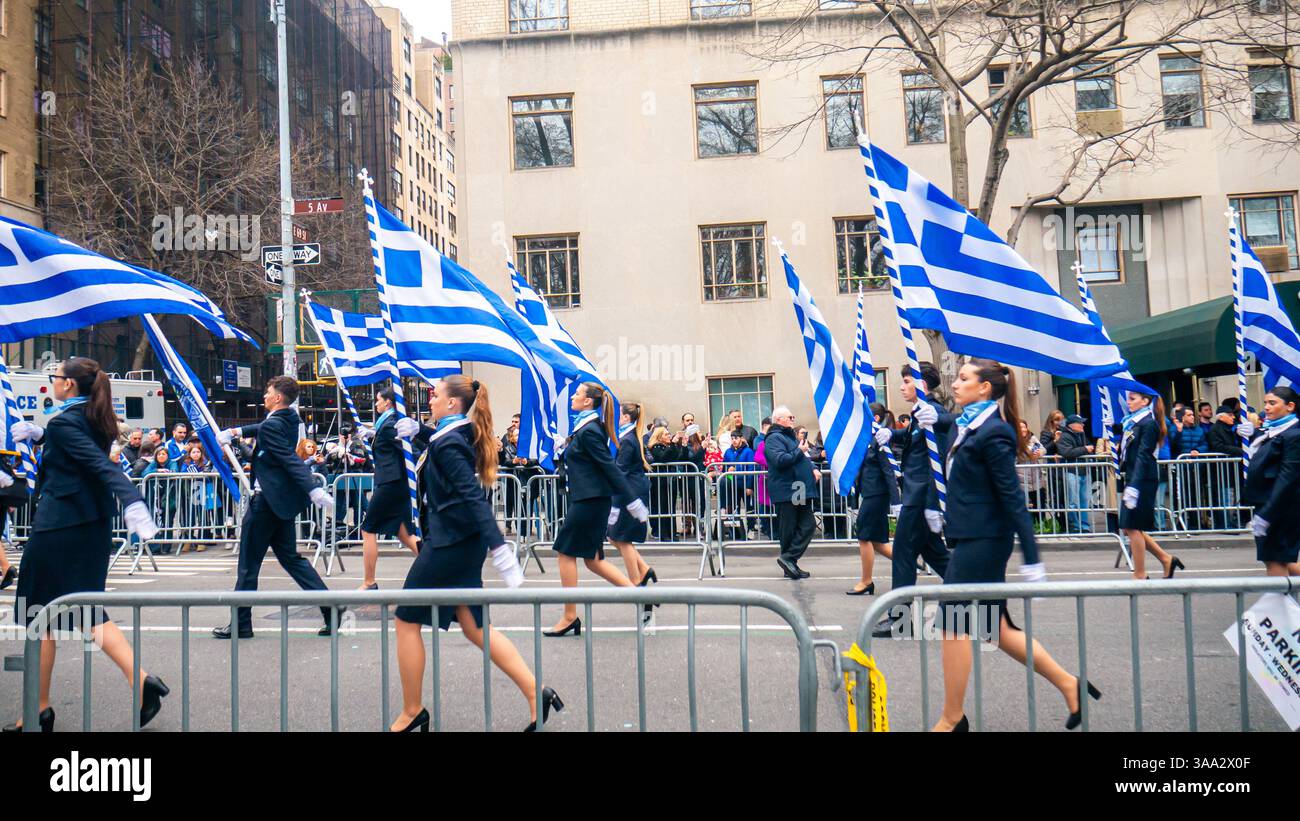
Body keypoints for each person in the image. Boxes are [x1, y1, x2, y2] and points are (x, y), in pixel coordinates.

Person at [931, 359, 1099, 732]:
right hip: (973, 537)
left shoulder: (995, 432)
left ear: (985, 388)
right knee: (997, 629)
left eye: (963, 379)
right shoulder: (970, 426)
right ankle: (1069, 683)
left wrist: (1033, 558)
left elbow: (1012, 498)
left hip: (984, 541)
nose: (956, 385)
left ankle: (952, 718)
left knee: (952, 623)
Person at [3, 357, 167, 732]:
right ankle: (141, 682)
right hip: (90, 527)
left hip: (59, 528)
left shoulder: (65, 422)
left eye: (55, 376)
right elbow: (81, 455)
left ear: (70, 385)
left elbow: (98, 464)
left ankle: (38, 709)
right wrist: (43, 436)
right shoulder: (96, 418)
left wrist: (133, 500)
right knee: (88, 612)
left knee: (37, 617)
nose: (52, 381)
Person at [390, 375, 560, 732]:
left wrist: (500, 548)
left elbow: (470, 495)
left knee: (406, 620)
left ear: (453, 404)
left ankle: (412, 710)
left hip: (448, 545)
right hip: (460, 543)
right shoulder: (457, 434)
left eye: (435, 396)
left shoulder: (451, 441)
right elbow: (445, 448)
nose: (431, 400)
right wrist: (419, 430)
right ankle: (536, 693)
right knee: (475, 626)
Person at [212, 376, 338, 639]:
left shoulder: (272, 427)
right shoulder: (290, 420)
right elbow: (266, 440)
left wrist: (312, 487)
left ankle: (241, 624)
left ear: (278, 397)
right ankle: (331, 609)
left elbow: (289, 459)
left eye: (268, 393)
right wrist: (237, 434)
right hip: (280, 503)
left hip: (265, 503)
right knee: (292, 560)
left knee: (248, 565)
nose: (265, 396)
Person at [544, 382, 650, 637]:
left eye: (578, 394)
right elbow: (586, 460)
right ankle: (639, 598)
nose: (573, 397)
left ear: (589, 402)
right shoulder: (587, 428)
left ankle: (570, 616)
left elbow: (609, 467)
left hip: (589, 501)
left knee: (564, 552)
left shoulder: (590, 429)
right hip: (590, 499)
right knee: (593, 561)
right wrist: (564, 446)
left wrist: (631, 500)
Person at [873, 362, 954, 638]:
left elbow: (941, 444)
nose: (901, 386)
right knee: (937, 557)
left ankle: (900, 619)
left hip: (921, 500)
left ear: (922, 384)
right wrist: (893, 434)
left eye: (907, 381)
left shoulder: (934, 413)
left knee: (903, 555)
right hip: (916, 496)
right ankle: (977, 593)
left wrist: (933, 503)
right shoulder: (919, 415)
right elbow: (915, 439)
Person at [352, 386, 425, 590]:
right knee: (404, 533)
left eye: (378, 400)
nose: (375, 404)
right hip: (394, 483)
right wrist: (372, 434)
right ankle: (436, 568)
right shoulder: (386, 424)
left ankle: (369, 582)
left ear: (388, 403)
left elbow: (413, 449)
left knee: (368, 529)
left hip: (391, 483)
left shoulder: (391, 424)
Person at [1119, 390, 1184, 580]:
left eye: (1132, 399)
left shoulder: (1148, 424)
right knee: (1129, 526)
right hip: (1134, 477)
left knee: (1132, 526)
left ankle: (1140, 574)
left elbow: (1143, 455)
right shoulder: (1134, 422)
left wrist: (1134, 485)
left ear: (1145, 401)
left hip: (1142, 479)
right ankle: (1166, 559)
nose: (1128, 402)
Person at [1239, 387, 1300, 577]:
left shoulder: (1294, 434)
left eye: (1272, 403)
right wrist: (1254, 435)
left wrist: (1267, 514)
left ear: (1290, 406)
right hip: (1270, 504)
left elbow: (1287, 477)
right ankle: (1279, 603)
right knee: (1275, 559)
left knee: (1275, 560)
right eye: (1265, 403)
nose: (1266, 407)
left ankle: (1278, 604)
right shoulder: (1273, 430)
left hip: (1281, 507)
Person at [608, 403, 657, 612]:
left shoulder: (627, 440)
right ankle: (644, 570)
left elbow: (620, 469)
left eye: (620, 415)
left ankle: (637, 582)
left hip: (629, 492)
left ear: (627, 418)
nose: (617, 418)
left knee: (621, 538)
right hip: (629, 490)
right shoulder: (629, 437)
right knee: (614, 537)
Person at [765, 405, 819, 580]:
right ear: (779, 419)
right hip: (786, 488)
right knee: (789, 528)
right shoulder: (774, 438)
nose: (792, 420)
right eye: (790, 417)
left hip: (797, 488)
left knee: (807, 524)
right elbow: (780, 460)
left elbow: (801, 459)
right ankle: (789, 561)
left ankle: (790, 560)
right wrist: (799, 450)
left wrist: (812, 468)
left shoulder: (789, 437)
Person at [851, 403, 897, 595]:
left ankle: (866, 581)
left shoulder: (880, 439)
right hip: (870, 493)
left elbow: (889, 471)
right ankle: (908, 559)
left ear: (875, 418)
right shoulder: (868, 439)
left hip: (877, 494)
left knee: (863, 535)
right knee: (877, 541)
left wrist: (896, 501)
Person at [1055, 414, 1096, 533]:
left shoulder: (1082, 435)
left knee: (1084, 500)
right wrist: (1085, 449)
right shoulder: (1065, 436)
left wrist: (1087, 450)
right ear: (1072, 425)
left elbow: (1089, 448)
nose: (1083, 425)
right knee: (1073, 501)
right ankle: (1075, 526)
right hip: (1072, 471)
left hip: (1083, 471)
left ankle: (1084, 526)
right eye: (1080, 423)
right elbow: (1066, 452)